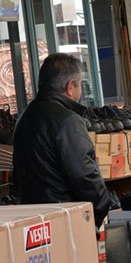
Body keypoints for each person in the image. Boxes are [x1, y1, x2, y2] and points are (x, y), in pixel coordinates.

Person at [13, 53, 118, 225]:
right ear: (70, 86)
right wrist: (102, 207)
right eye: (80, 85)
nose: (80, 91)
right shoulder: (67, 120)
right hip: (66, 218)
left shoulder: (25, 117)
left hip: (33, 218)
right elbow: (83, 174)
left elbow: (18, 175)